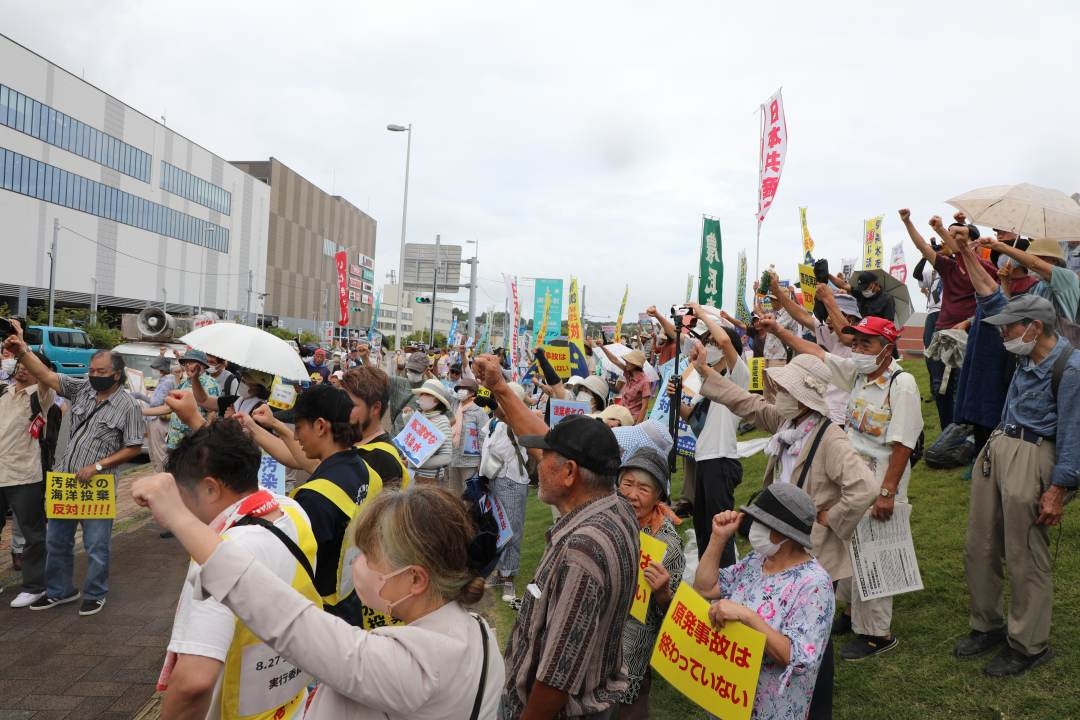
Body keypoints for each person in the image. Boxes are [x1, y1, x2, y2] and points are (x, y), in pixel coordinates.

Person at [133, 471, 505, 718]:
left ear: (415, 580)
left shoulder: (406, 666)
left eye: (369, 557)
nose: (357, 565)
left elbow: (291, 621)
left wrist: (180, 517)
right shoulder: (479, 633)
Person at [687, 338, 877, 718]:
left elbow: (866, 487)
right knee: (777, 628)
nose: (774, 393)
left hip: (813, 554)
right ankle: (757, 690)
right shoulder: (788, 422)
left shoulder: (830, 438)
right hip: (779, 541)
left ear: (803, 395)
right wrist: (707, 374)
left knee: (809, 648)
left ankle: (808, 708)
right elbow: (747, 403)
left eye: (783, 388)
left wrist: (831, 517)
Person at [473, 354, 639, 719]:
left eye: (545, 457)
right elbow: (536, 436)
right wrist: (500, 387)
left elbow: (555, 678)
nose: (537, 460)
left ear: (569, 473)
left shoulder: (582, 551)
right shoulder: (616, 505)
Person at [953, 244, 1079, 677]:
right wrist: (966, 254)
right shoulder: (1027, 354)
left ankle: (1028, 644)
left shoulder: (1071, 368)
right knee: (980, 544)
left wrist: (1058, 491)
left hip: (1034, 455)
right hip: (1000, 448)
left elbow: (1075, 434)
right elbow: (990, 295)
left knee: (1026, 554)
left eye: (1010, 329)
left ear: (1035, 327)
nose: (1003, 335)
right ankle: (986, 624)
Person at [151, 418, 320, 718]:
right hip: (294, 706)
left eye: (184, 496)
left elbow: (194, 682)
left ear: (211, 489)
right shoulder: (293, 511)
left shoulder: (220, 554)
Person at [792, 315, 923, 660]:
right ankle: (850, 614)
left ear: (887, 349)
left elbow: (904, 444)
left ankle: (877, 634)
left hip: (881, 479)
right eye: (856, 342)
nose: (858, 349)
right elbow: (818, 354)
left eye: (867, 343)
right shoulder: (858, 375)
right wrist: (777, 330)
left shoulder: (902, 384)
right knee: (849, 542)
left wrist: (887, 492)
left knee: (876, 553)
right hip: (852, 478)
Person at [2, 328, 145, 616]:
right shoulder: (82, 389)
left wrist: (99, 466)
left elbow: (133, 447)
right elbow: (47, 377)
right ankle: (60, 591)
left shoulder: (128, 405)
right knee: (56, 541)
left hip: (97, 487)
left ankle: (95, 593)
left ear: (116, 374)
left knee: (95, 545)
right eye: (92, 369)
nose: (94, 374)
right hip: (64, 483)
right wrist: (23, 352)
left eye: (101, 370)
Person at [693, 484, 834, 720]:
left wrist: (747, 616)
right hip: (729, 699)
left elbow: (797, 658)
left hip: (770, 710)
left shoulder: (814, 584)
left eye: (762, 522)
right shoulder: (757, 560)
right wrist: (718, 538)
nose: (753, 527)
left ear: (785, 534)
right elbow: (705, 586)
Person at [274, 385, 378, 625]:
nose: (296, 436)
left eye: (298, 427)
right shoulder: (367, 472)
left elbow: (294, 567)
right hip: (353, 597)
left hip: (323, 613)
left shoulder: (314, 497)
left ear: (320, 426)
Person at [673, 305, 749, 564]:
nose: (711, 345)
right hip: (705, 459)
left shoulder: (738, 376)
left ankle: (725, 581)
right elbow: (693, 419)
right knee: (704, 528)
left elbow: (727, 339)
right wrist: (675, 399)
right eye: (708, 342)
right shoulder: (709, 382)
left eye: (712, 342)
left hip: (721, 459)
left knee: (720, 531)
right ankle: (709, 582)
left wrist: (702, 314)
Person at [615, 447, 685, 719]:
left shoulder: (667, 545)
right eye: (627, 484)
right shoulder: (609, 519)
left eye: (643, 489)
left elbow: (674, 615)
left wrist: (663, 594)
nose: (632, 495)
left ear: (658, 496)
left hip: (630, 651)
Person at [0, 347, 55, 608]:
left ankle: (34, 586)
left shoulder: (41, 396)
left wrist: (23, 347)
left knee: (33, 534)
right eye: (19, 363)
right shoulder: (3, 391)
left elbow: (45, 377)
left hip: (24, 475)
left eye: (29, 365)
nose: (22, 367)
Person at [479, 382, 531, 603]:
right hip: (493, 478)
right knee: (496, 527)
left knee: (511, 529)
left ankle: (508, 576)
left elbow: (508, 417)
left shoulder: (518, 421)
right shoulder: (493, 422)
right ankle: (500, 571)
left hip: (511, 480)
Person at [340, 366, 410, 490]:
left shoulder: (385, 459)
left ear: (376, 408)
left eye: (351, 405)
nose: (342, 409)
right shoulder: (348, 436)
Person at [167, 349, 220, 451]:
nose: (187, 365)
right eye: (186, 362)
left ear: (202, 365)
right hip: (175, 440)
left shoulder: (210, 383)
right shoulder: (185, 382)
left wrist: (204, 439)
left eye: (191, 362)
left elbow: (212, 414)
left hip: (192, 442)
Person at [449, 377, 488, 496]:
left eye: (464, 388)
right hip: (453, 458)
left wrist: (482, 462)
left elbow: (482, 437)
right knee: (454, 494)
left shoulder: (479, 412)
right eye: (459, 388)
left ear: (472, 392)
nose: (461, 391)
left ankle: (469, 515)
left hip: (470, 461)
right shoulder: (454, 408)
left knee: (469, 494)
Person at [409, 379, 453, 483]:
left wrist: (416, 463)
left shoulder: (442, 421)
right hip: (412, 476)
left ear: (437, 400)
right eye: (421, 394)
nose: (421, 397)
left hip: (429, 479)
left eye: (426, 394)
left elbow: (446, 457)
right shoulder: (420, 417)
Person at [139, 355, 177, 472]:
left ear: (161, 369)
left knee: (158, 453)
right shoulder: (165, 380)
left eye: (155, 368)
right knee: (154, 452)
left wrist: (141, 396)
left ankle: (161, 478)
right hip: (154, 419)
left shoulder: (166, 382)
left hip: (158, 420)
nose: (153, 371)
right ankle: (158, 476)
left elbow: (156, 402)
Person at [600, 347, 651, 424]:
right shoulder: (629, 373)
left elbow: (644, 407)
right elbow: (615, 360)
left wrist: (637, 426)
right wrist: (602, 347)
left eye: (628, 361)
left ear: (635, 365)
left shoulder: (644, 382)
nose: (625, 362)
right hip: (622, 412)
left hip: (632, 418)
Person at [389, 352, 431, 434]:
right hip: (395, 437)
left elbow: (451, 419)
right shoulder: (398, 382)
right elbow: (375, 376)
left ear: (426, 370)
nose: (413, 373)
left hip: (416, 440)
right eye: (411, 370)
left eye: (417, 371)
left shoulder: (430, 389)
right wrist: (365, 357)